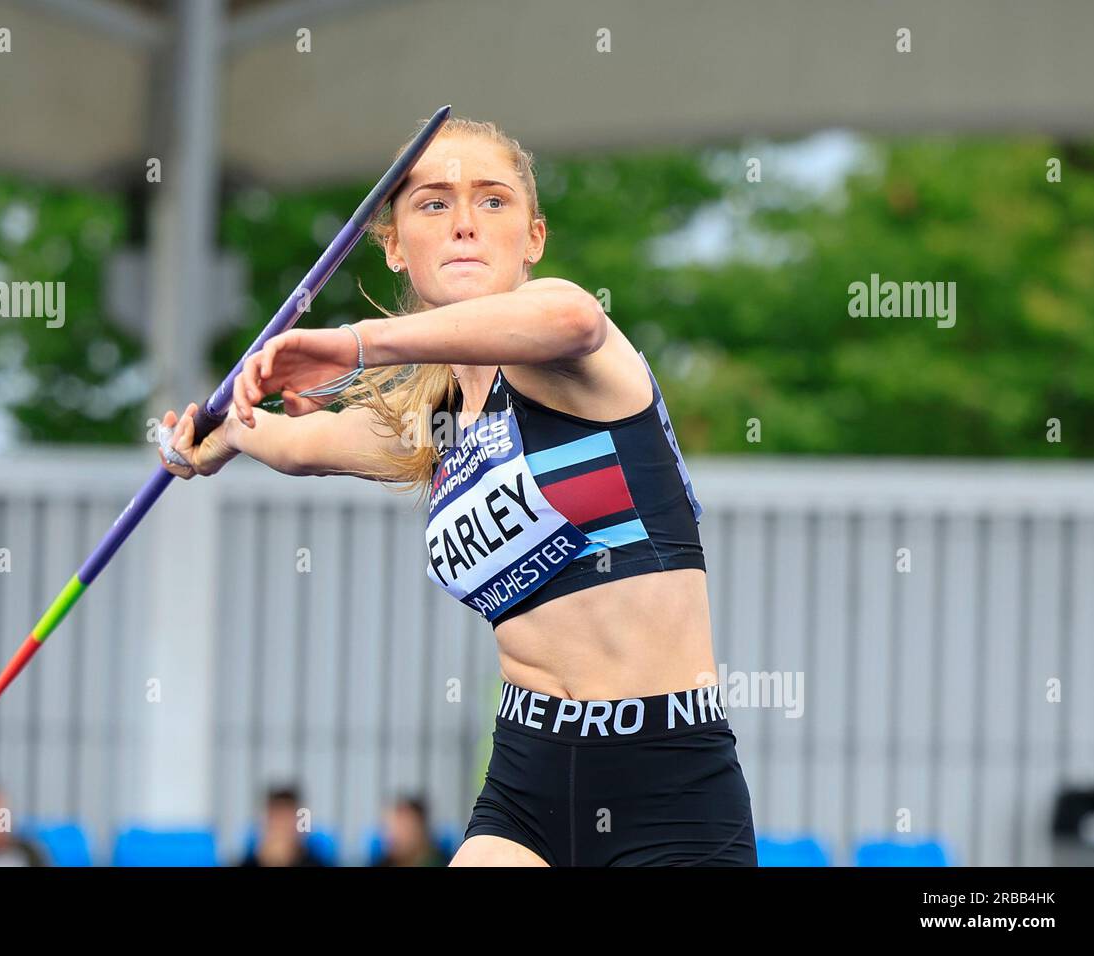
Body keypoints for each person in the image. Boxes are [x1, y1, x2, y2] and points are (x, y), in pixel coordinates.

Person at [158, 116, 757, 867]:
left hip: (666, 779)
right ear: (395, 246)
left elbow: (567, 317)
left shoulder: (570, 359)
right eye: (435, 203)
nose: (466, 223)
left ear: (533, 237)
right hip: (528, 774)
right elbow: (303, 444)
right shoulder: (437, 426)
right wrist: (220, 435)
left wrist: (353, 346)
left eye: (493, 201)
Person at [235, 785, 330, 867]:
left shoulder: (315, 863)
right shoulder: (249, 863)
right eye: (276, 818)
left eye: (287, 819)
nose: (281, 827)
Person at [375, 795, 450, 867]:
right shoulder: (380, 863)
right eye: (389, 828)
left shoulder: (448, 862)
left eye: (403, 827)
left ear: (421, 829)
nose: (393, 835)